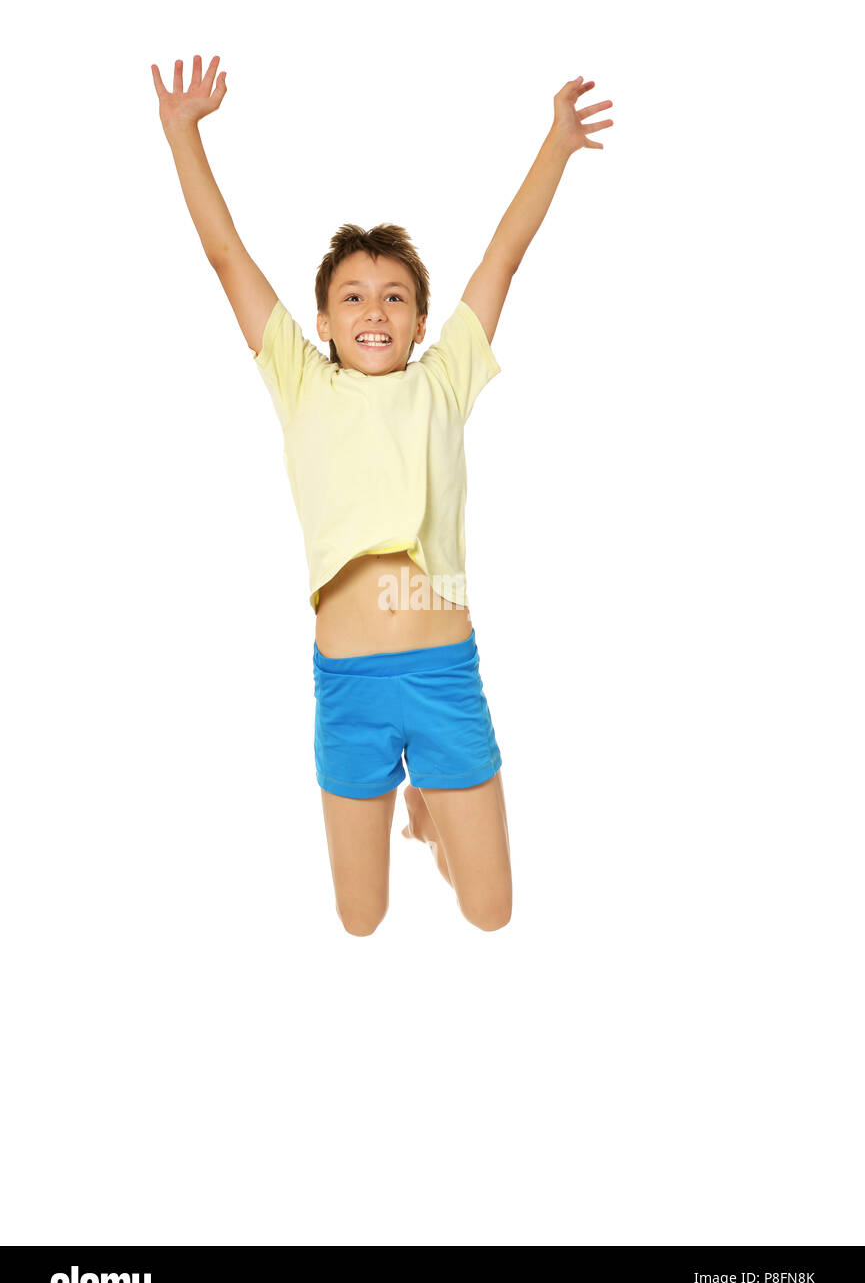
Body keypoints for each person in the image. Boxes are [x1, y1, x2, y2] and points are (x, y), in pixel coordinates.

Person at [151, 53, 614, 937]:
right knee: (359, 920)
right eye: (353, 296)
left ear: (420, 320)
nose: (374, 309)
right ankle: (415, 800)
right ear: (320, 322)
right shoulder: (300, 381)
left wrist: (555, 141)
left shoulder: (442, 382)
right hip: (349, 686)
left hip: (442, 674)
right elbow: (223, 257)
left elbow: (503, 259)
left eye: (395, 296)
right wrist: (182, 134)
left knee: (491, 914)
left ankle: (432, 810)